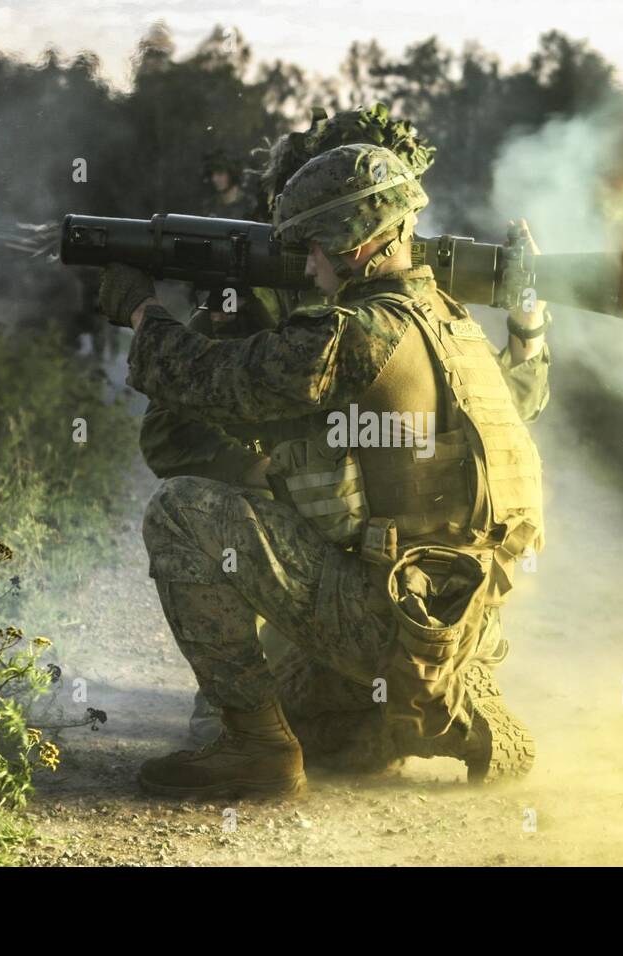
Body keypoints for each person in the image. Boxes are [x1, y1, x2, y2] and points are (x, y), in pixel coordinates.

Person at [99, 143, 544, 798]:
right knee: (333, 738)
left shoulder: (357, 332)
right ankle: (439, 706)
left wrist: (143, 312)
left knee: (181, 511)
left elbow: (210, 381)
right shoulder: (456, 327)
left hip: (387, 612)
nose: (305, 265)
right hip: (457, 611)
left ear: (354, 242)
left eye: (311, 246)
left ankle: (257, 749)